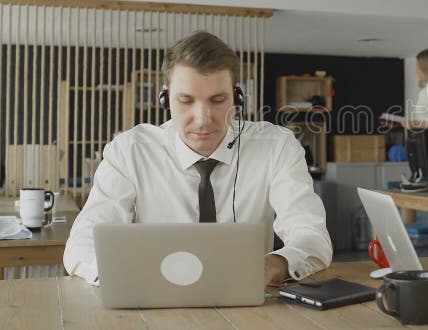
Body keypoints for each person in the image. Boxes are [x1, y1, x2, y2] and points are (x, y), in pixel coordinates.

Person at [64, 31, 332, 285]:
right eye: (185, 100)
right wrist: (130, 276)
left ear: (236, 96)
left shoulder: (277, 146)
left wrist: (276, 264)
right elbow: (82, 245)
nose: (203, 119)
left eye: (217, 100)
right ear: (165, 98)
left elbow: (312, 237)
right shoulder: (129, 151)